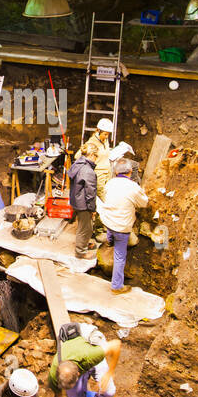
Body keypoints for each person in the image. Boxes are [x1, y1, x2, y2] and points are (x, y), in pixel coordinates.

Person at [44, 323, 122, 397]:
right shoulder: (54, 374)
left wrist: (109, 373)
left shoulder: (93, 355)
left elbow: (116, 345)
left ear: (78, 374)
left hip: (90, 344)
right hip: (77, 354)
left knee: (109, 391)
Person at [97, 158, 148, 294]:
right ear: (130, 172)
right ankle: (117, 286)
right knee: (120, 256)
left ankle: (109, 241)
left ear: (115, 171)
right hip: (121, 226)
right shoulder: (133, 187)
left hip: (108, 221)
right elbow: (144, 203)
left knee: (111, 232)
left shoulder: (110, 183)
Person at [68, 150, 97, 258]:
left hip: (77, 199)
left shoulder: (77, 163)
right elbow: (90, 192)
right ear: (91, 155)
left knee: (83, 226)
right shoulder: (88, 171)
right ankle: (80, 252)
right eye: (95, 156)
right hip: (83, 203)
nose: (96, 159)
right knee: (84, 228)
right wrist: (92, 208)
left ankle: (84, 244)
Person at [75, 117, 114, 198]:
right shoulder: (92, 143)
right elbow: (77, 156)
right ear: (98, 131)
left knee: (108, 194)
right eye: (105, 134)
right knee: (102, 197)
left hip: (107, 172)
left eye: (108, 134)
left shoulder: (105, 140)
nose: (107, 136)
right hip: (99, 174)